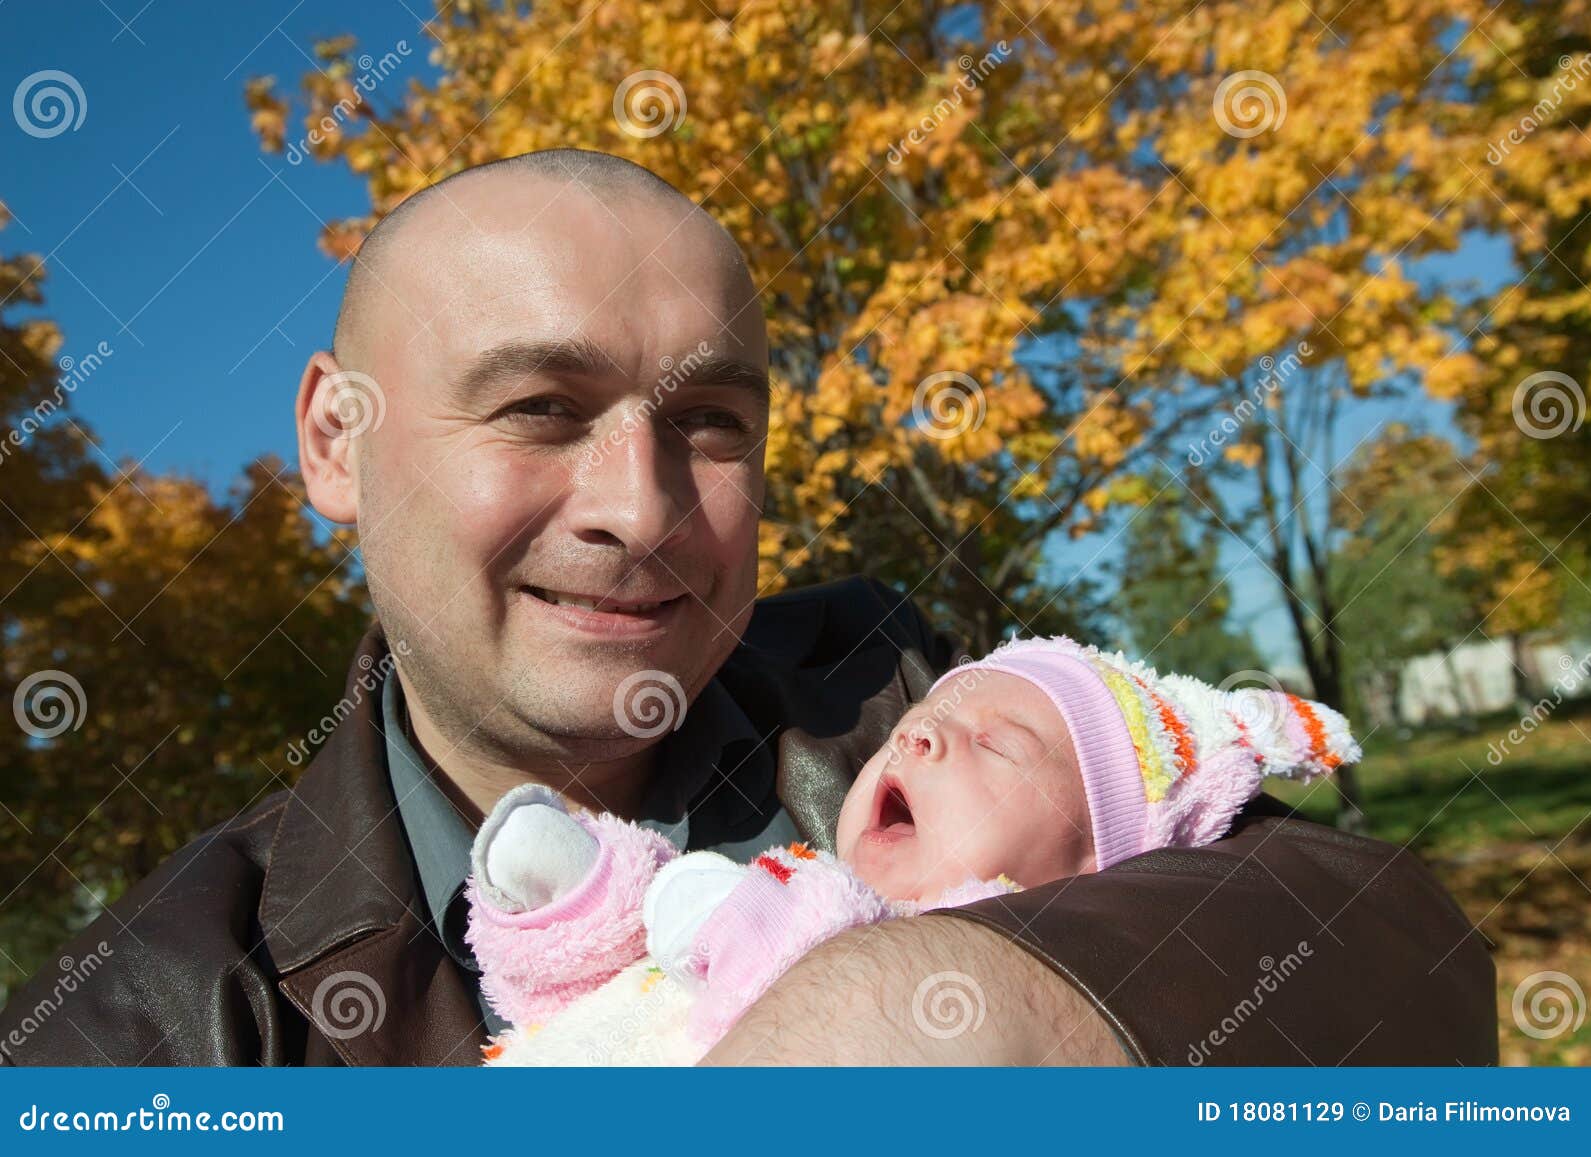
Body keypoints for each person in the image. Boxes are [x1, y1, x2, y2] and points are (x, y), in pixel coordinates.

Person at [0, 149, 1496, 1067]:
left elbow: (1390, 933)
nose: (639, 508)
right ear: (337, 438)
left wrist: (964, 1015)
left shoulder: (893, 694)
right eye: (538, 405)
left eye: (710, 422)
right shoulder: (164, 1016)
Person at [464, 633, 1365, 1065]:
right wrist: (584, 909)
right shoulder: (795, 881)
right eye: (927, 721)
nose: (916, 740)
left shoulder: (960, 971)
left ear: (1103, 867)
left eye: (1001, 742)